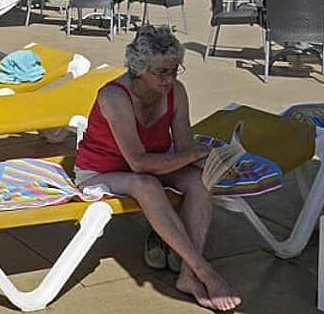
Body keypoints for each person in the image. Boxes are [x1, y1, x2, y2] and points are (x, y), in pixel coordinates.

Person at [72, 25, 240, 312]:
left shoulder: (176, 92)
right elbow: (137, 162)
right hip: (100, 172)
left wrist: (214, 161)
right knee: (145, 184)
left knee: (200, 181)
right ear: (139, 68)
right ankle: (202, 270)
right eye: (161, 72)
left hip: (153, 166)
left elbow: (184, 147)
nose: (169, 79)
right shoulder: (114, 97)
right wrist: (193, 153)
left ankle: (187, 276)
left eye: (174, 71)